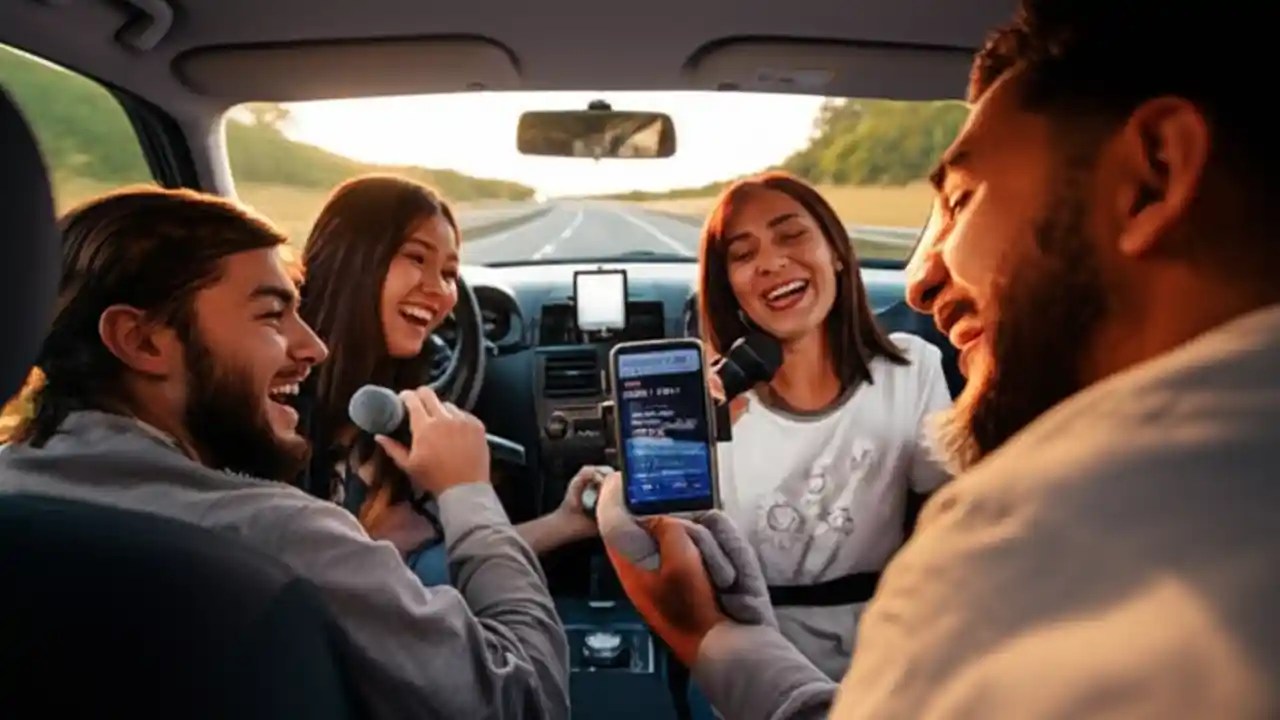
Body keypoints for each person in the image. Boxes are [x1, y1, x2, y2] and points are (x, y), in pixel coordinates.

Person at [598, 0, 1279, 717]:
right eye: (743, 255)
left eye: (960, 200)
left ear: (1152, 178)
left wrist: (704, 635)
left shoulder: (996, 546)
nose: (920, 280)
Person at [0, 186, 570, 719]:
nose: (312, 346)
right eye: (272, 314)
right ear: (142, 340)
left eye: (449, 272)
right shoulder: (282, 536)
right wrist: (467, 491)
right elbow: (524, 698)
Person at [696, 171, 951, 678]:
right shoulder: (714, 401)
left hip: (889, 649)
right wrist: (686, 435)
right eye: (743, 256)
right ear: (729, 288)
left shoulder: (913, 368)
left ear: (836, 251)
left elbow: (948, 516)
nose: (771, 262)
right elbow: (676, 548)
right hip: (755, 656)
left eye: (791, 235)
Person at [294, 174, 600, 587]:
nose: (438, 289)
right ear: (352, 257)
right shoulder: (280, 402)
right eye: (417, 258)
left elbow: (434, 570)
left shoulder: (404, 405)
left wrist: (565, 523)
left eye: (450, 273)